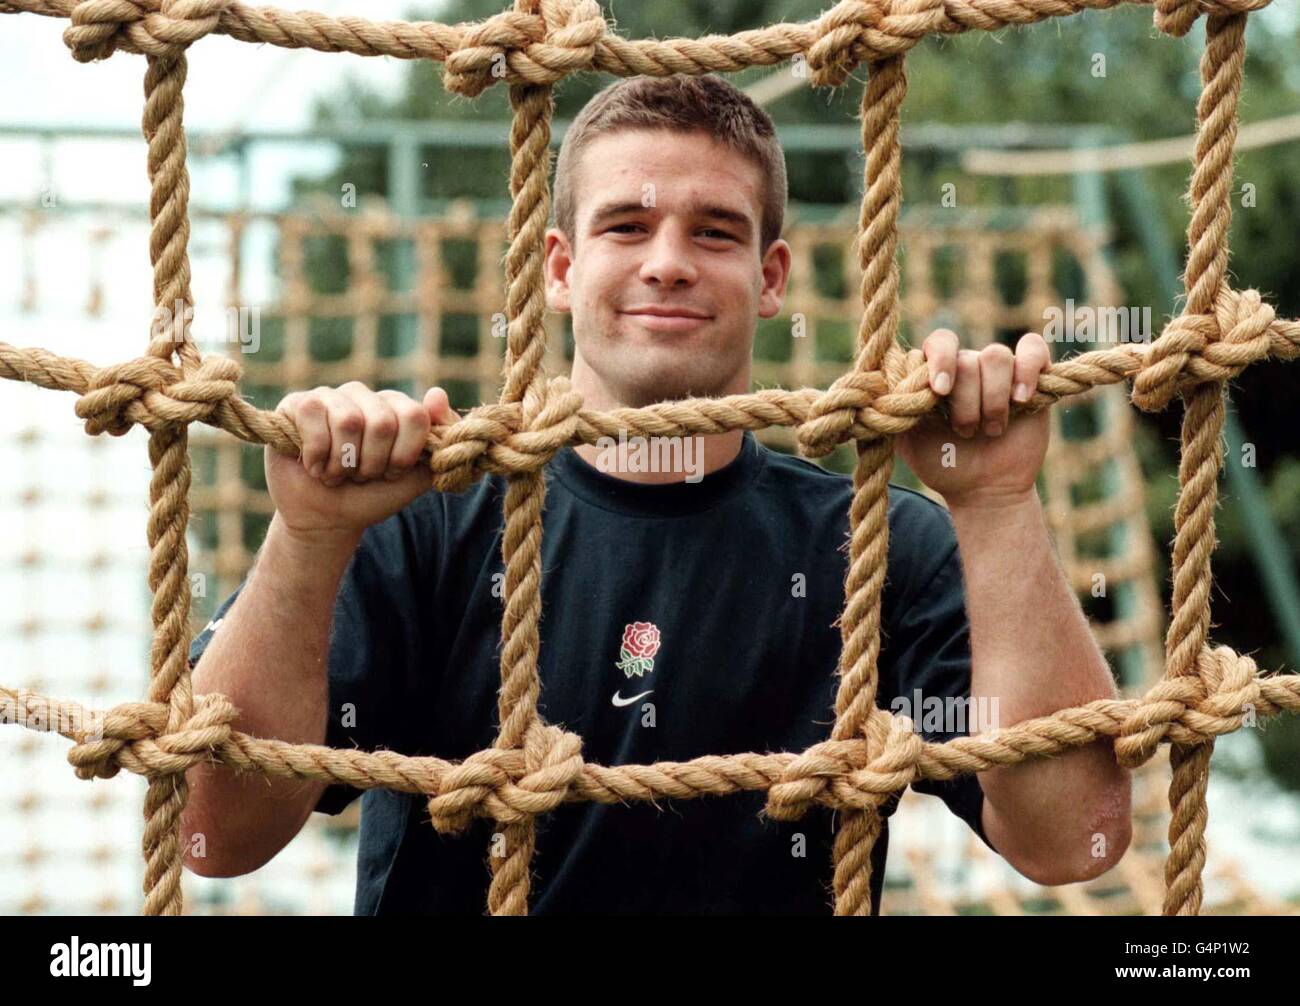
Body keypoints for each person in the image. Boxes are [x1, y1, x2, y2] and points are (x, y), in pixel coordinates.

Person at [182, 73, 1131, 914]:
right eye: (626, 227)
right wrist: (307, 540)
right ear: (560, 269)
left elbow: (1071, 840)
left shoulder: (875, 543)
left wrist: (999, 505)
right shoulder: (424, 525)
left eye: (713, 232)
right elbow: (211, 835)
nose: (667, 260)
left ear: (770, 279)